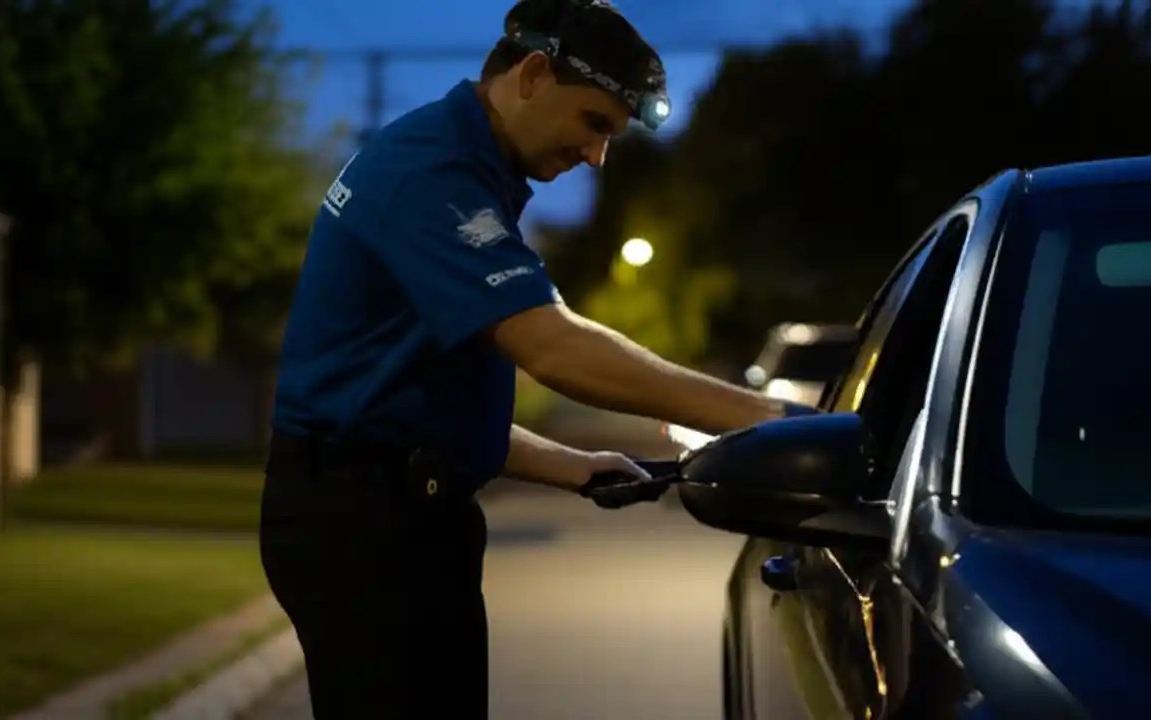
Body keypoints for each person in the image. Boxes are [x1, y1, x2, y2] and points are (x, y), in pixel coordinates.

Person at [258, 0, 819, 717]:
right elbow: (552, 347)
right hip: (364, 526)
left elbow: (411, 402)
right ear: (531, 74)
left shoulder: (457, 165)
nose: (596, 156)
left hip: (385, 511)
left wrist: (574, 466)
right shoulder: (433, 177)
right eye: (594, 123)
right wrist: (772, 418)